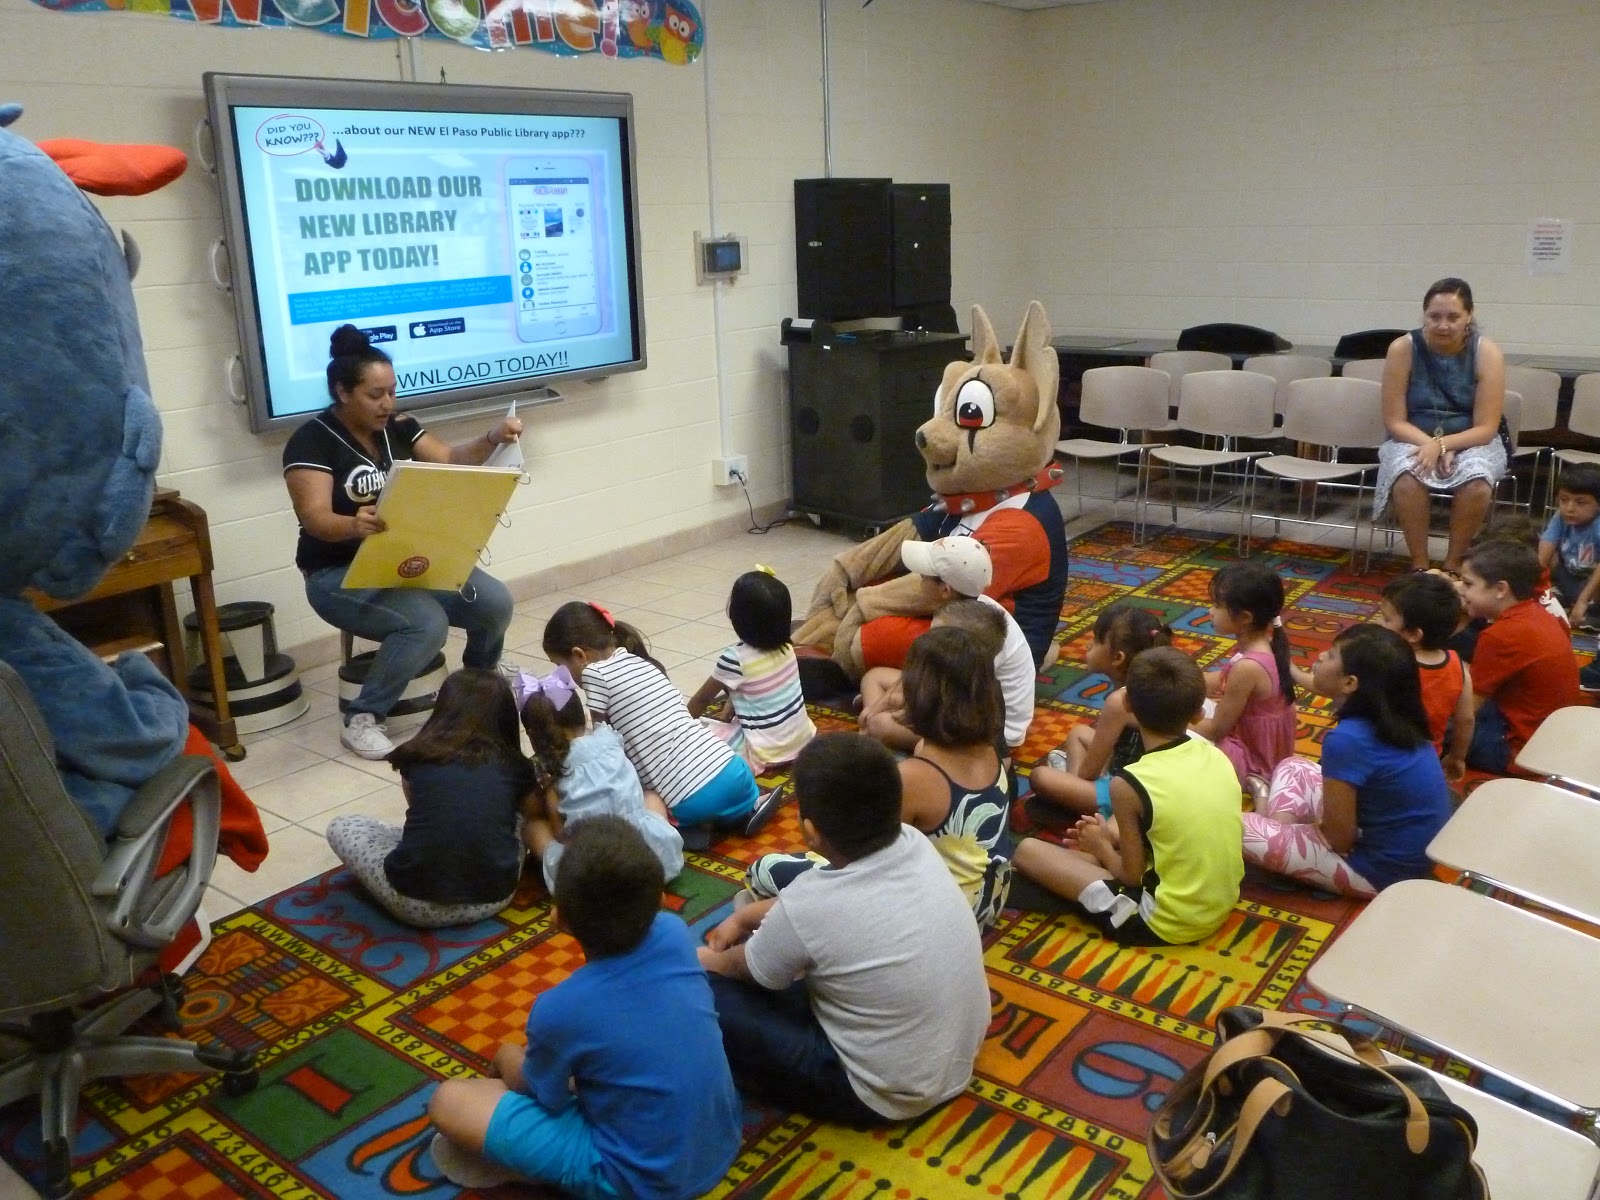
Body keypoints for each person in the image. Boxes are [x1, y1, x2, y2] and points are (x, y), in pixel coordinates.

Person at [428, 816, 740, 1197]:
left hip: (641, 1180)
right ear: (661, 901)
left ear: (559, 919)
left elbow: (544, 1095)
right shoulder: (675, 933)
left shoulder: (559, 1008)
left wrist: (506, 1055)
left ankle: (535, 1171)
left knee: (449, 1101)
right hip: (720, 1142)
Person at [697, 734, 989, 1125]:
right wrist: (745, 918)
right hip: (955, 1060)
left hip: (882, 1095)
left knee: (703, 993)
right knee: (807, 961)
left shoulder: (810, 902)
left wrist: (702, 961)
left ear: (811, 831)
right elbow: (824, 912)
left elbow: (743, 968)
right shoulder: (915, 842)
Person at [283, 325, 521, 760]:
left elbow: (450, 459)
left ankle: (479, 685)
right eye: (375, 395)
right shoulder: (311, 441)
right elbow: (314, 518)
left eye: (392, 392)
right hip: (337, 573)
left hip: (404, 559)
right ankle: (363, 717)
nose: (387, 404)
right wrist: (352, 525)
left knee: (494, 602)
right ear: (342, 392)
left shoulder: (399, 427)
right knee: (425, 622)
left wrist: (492, 437)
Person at [750, 626, 1013, 926]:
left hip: (940, 915)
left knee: (765, 870)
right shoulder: (989, 750)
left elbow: (868, 861)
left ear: (918, 693)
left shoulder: (915, 776)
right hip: (989, 899)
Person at [1010, 647, 1243, 946]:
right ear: (1199, 713)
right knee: (1094, 848)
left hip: (1162, 922)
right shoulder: (1218, 757)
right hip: (1221, 902)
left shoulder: (1129, 783)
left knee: (1027, 851)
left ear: (1127, 704)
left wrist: (1101, 846)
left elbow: (1130, 876)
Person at [1242, 626, 1454, 898]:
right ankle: (1279, 837)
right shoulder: (1398, 718)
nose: (1320, 656)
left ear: (1350, 683)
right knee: (1293, 766)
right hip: (1405, 851)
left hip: (1378, 872)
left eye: (1331, 655)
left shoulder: (1347, 739)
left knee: (1231, 825)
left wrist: (1321, 828)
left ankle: (1274, 834)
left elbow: (1339, 840)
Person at [541, 601, 770, 843]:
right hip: (737, 773)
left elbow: (604, 749)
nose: (560, 676)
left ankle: (687, 830)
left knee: (647, 797)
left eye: (559, 666)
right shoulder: (641, 662)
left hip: (693, 801)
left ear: (579, 655)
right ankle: (744, 809)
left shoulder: (594, 674)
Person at [325, 668, 538, 928]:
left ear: (443, 708)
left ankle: (426, 851)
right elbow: (533, 813)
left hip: (411, 903)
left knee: (342, 825)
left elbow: (416, 804)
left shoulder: (416, 754)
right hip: (494, 897)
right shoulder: (515, 765)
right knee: (520, 814)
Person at [1376, 278, 1507, 573]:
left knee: (1476, 482)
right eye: (1434, 317)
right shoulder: (1402, 348)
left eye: (1453, 317)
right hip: (1412, 435)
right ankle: (1420, 567)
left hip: (1472, 439)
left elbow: (1487, 428)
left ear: (1469, 316)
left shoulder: (1487, 352)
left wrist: (1444, 445)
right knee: (1408, 477)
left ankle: (1453, 565)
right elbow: (1394, 420)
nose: (1443, 325)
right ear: (1424, 315)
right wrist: (1430, 445)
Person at [516, 665, 684, 894]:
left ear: (532, 736)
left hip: (594, 874)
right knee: (651, 796)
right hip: (650, 858)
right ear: (584, 717)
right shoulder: (609, 740)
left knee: (532, 827)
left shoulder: (553, 772)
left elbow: (560, 834)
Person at [858, 536, 1034, 755]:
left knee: (880, 723)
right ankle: (876, 729)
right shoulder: (965, 611)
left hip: (990, 730)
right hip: (962, 697)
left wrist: (893, 707)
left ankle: (877, 733)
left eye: (924, 577)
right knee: (874, 677)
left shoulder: (965, 633)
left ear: (945, 589)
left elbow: (951, 695)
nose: (919, 582)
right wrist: (884, 704)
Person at [1026, 604, 1172, 824]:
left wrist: (1075, 783)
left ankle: (1080, 811)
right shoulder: (1152, 686)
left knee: (1040, 777)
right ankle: (1075, 800)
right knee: (1078, 733)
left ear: (1118, 658)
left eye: (1095, 640)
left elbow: (1088, 773)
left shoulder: (1120, 701)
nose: (1087, 644)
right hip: (1144, 780)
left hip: (1127, 794)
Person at [1457, 540, 1582, 772]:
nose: (1461, 591)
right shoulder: (1536, 612)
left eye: (1467, 583)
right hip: (1550, 737)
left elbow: (1467, 711)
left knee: (1423, 709)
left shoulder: (1501, 635)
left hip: (1515, 749)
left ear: (1501, 589)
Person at [686, 569, 816, 772]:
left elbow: (702, 700)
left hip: (764, 754)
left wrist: (682, 731)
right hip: (803, 742)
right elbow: (753, 687)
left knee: (702, 734)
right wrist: (730, 706)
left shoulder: (735, 659)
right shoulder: (788, 649)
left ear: (738, 617)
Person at [1193, 562, 1298, 799]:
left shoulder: (1248, 667)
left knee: (1165, 730)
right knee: (1182, 702)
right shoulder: (1266, 645)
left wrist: (1172, 722)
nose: (1210, 611)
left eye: (1217, 605)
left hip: (1250, 761)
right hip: (1256, 746)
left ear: (1245, 617)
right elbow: (1218, 681)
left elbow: (1216, 729)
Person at [1375, 572, 1473, 780]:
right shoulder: (1457, 664)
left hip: (1379, 761)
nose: (1379, 623)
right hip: (1427, 762)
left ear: (1413, 634)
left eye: (1386, 619)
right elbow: (1465, 719)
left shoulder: (1387, 663)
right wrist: (1457, 757)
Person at [1539, 463, 1600, 627]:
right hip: (1570, 578)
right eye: (1564, 500)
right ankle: (1568, 603)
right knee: (1546, 552)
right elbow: (1543, 554)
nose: (1569, 508)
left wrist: (1583, 601)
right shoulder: (1560, 517)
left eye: (1580, 502)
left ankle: (1589, 610)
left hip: (1594, 584)